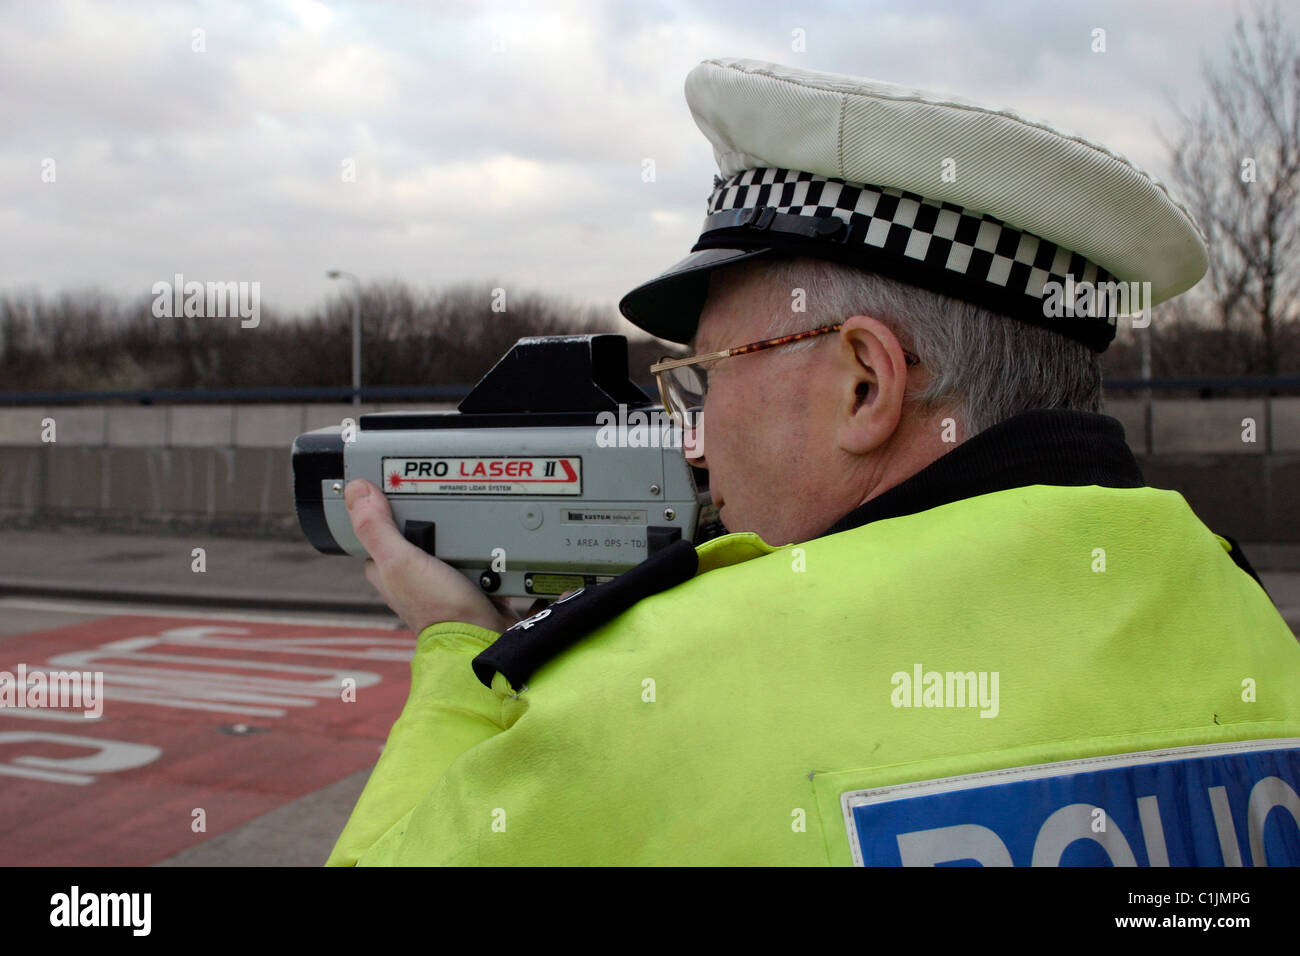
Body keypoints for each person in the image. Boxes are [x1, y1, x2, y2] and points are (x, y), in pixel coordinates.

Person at [326, 59, 1300, 866]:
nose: (694, 445)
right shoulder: (1250, 624)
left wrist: (457, 654)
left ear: (864, 384)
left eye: (705, 380)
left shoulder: (662, 695)